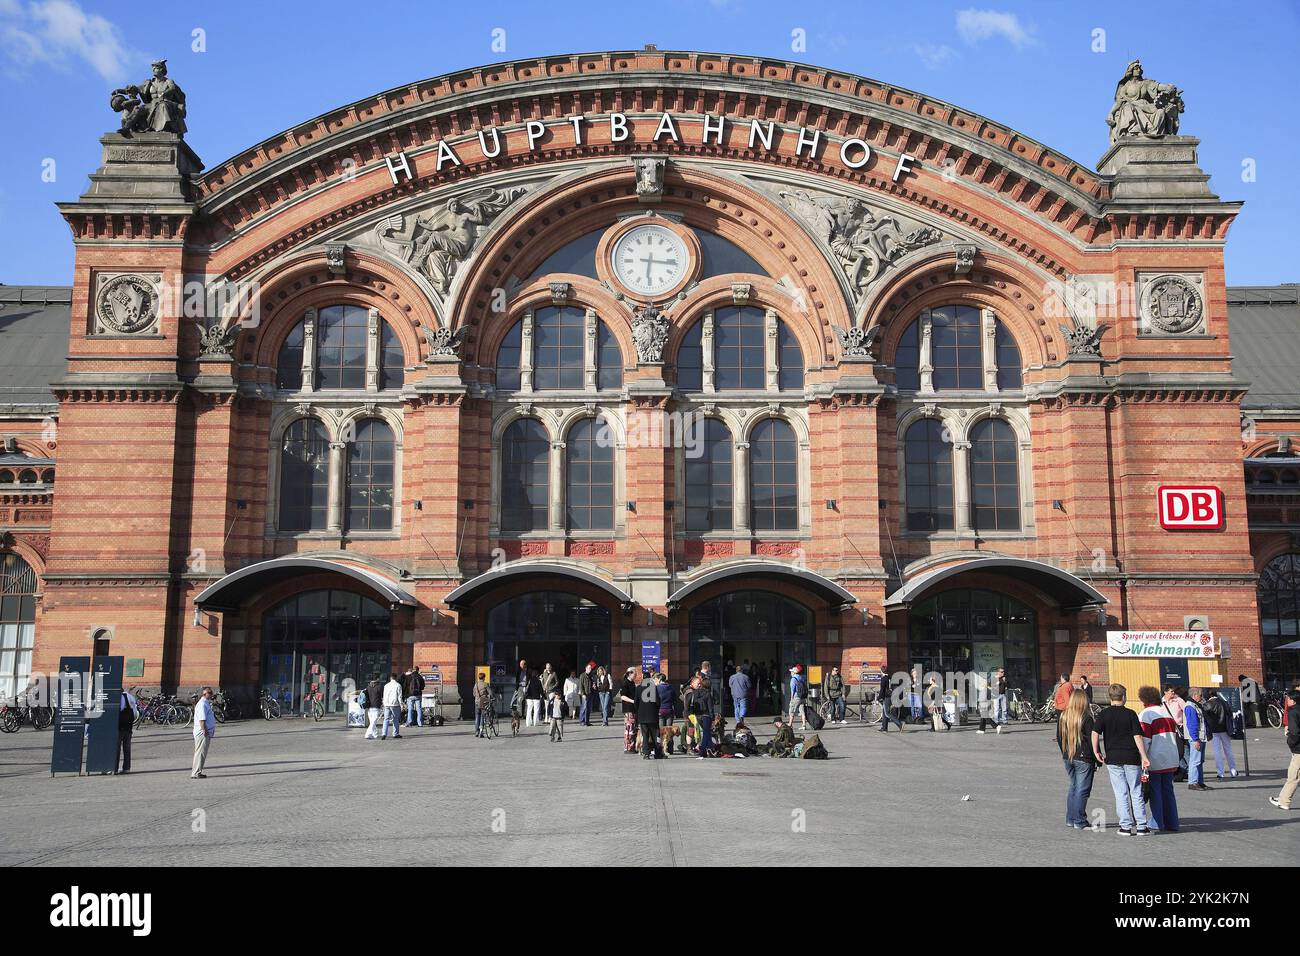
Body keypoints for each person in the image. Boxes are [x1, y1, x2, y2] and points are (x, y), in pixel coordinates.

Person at [1091, 683, 1152, 836]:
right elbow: (1137, 736)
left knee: (1121, 792)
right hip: (1131, 757)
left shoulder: (1104, 714)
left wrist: (1096, 751)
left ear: (1110, 697)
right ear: (1123, 697)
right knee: (1136, 791)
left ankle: (1125, 826)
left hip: (1113, 757)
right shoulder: (1131, 714)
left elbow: (1094, 733)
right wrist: (1144, 756)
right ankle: (1141, 826)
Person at [1137, 685, 1181, 833]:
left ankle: (1157, 821)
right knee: (1168, 790)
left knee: (1155, 791)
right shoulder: (1166, 712)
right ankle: (1172, 821)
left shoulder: (1146, 714)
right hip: (1171, 756)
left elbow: (1145, 739)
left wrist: (1142, 757)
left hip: (1155, 758)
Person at [1056, 688, 1097, 828]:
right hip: (1084, 757)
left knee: (1073, 787)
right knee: (1082, 789)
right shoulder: (1086, 718)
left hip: (1069, 756)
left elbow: (1058, 737)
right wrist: (1096, 758)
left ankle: (1070, 818)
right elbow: (1092, 742)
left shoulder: (1063, 716)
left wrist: (1064, 753)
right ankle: (1079, 820)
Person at [1268, 686, 1299, 811]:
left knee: (1293, 776)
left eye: (1289, 699)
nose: (1288, 701)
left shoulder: (1293, 712)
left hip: (1298, 749)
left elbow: (1295, 732)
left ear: (1293, 700)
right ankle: (1282, 798)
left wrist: (1289, 740)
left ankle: (1284, 801)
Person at [1202, 690, 1238, 778]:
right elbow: (1230, 715)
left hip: (1214, 730)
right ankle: (1233, 770)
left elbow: (1206, 718)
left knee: (1217, 751)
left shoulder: (1207, 704)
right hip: (1225, 729)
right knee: (1228, 750)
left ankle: (1220, 773)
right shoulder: (1224, 702)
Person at [1184, 688, 1211, 791]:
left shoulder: (1195, 705)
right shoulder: (1190, 706)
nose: (1202, 697)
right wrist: (1195, 739)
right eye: (1200, 695)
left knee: (1199, 760)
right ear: (1195, 695)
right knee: (1195, 761)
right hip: (1196, 738)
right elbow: (1192, 724)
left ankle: (1199, 782)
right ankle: (1193, 782)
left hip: (1200, 737)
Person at [1162, 686, 1188, 781]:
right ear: (1165, 692)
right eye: (1171, 691)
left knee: (1180, 752)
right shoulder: (1161, 702)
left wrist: (1184, 723)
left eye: (1173, 691)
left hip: (1178, 730)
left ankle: (1180, 770)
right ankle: (1176, 772)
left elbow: (1187, 711)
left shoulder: (1178, 700)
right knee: (1169, 751)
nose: (1173, 693)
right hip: (1166, 731)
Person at [192, 686, 216, 779]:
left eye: (211, 692)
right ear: (204, 694)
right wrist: (205, 730)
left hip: (203, 732)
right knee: (200, 753)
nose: (211, 694)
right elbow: (202, 720)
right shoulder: (202, 704)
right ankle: (196, 773)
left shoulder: (205, 703)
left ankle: (197, 771)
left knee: (200, 753)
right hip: (202, 733)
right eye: (209, 693)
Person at [691, 674, 715, 758]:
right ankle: (702, 750)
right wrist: (713, 718)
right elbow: (710, 707)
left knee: (707, 733)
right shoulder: (708, 694)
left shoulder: (695, 692)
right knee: (706, 733)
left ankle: (710, 748)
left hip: (698, 715)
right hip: (706, 715)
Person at [637, 674, 661, 759]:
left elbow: (636, 702)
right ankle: (657, 753)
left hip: (642, 715)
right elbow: (658, 702)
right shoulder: (653, 687)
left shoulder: (639, 688)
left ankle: (646, 754)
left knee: (645, 735)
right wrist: (656, 710)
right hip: (653, 715)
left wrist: (639, 711)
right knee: (655, 735)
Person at [115, 687, 138, 775]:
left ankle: (114, 768)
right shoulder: (130, 696)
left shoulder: (119, 698)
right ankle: (126, 768)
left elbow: (118, 711)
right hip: (128, 726)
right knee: (127, 748)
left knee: (116, 748)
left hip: (120, 726)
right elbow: (135, 713)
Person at [878, 664, 905, 732]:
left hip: (886, 697)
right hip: (891, 696)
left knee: (887, 713)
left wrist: (879, 697)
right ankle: (884, 727)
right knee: (884, 713)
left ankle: (900, 724)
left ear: (881, 671)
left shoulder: (884, 679)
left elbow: (882, 689)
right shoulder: (890, 677)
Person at [618, 667, 639, 754]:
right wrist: (632, 701)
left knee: (633, 728)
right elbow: (622, 696)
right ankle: (628, 747)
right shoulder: (625, 683)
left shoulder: (632, 683)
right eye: (635, 673)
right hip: (628, 709)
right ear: (630, 673)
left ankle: (632, 746)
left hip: (633, 709)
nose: (636, 675)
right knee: (629, 728)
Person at [381, 672, 404, 739]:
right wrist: (401, 705)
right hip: (395, 704)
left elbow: (384, 695)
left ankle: (384, 734)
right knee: (395, 719)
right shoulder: (398, 685)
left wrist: (383, 703)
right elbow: (399, 696)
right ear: (396, 678)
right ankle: (395, 734)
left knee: (386, 719)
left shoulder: (386, 685)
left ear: (390, 678)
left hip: (387, 704)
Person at [788, 665, 809, 731]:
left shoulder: (793, 679)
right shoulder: (801, 678)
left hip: (796, 697)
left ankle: (790, 724)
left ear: (794, 672)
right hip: (802, 697)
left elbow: (792, 690)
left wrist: (791, 698)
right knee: (802, 711)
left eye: (791, 672)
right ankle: (804, 725)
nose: (791, 673)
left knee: (792, 710)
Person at [363, 675, 383, 739]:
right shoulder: (379, 687)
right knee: (373, 722)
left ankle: (375, 734)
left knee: (372, 721)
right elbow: (383, 696)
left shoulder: (368, 687)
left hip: (369, 706)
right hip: (376, 706)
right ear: (377, 679)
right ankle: (367, 734)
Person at [473, 673, 493, 738]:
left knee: (477, 716)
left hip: (477, 702)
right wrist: (490, 697)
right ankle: (481, 732)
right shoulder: (485, 684)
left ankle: (476, 731)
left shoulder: (476, 685)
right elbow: (490, 693)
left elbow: (473, 693)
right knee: (482, 716)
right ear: (484, 677)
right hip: (483, 702)